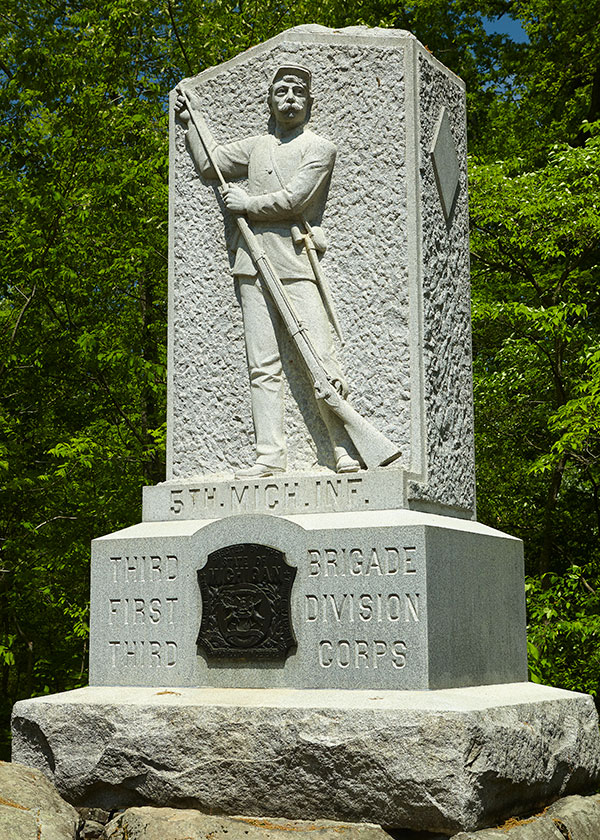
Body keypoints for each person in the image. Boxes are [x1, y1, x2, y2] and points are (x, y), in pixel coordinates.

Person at [175, 65, 360, 478]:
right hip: (251, 263)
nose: (290, 96)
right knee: (263, 365)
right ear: (270, 100)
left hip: (294, 263)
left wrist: (246, 204)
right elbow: (210, 164)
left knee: (320, 359)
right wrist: (192, 122)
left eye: (298, 90)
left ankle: (343, 447)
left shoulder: (319, 147)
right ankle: (269, 456)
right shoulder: (257, 146)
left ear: (309, 101)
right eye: (281, 90)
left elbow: (295, 198)